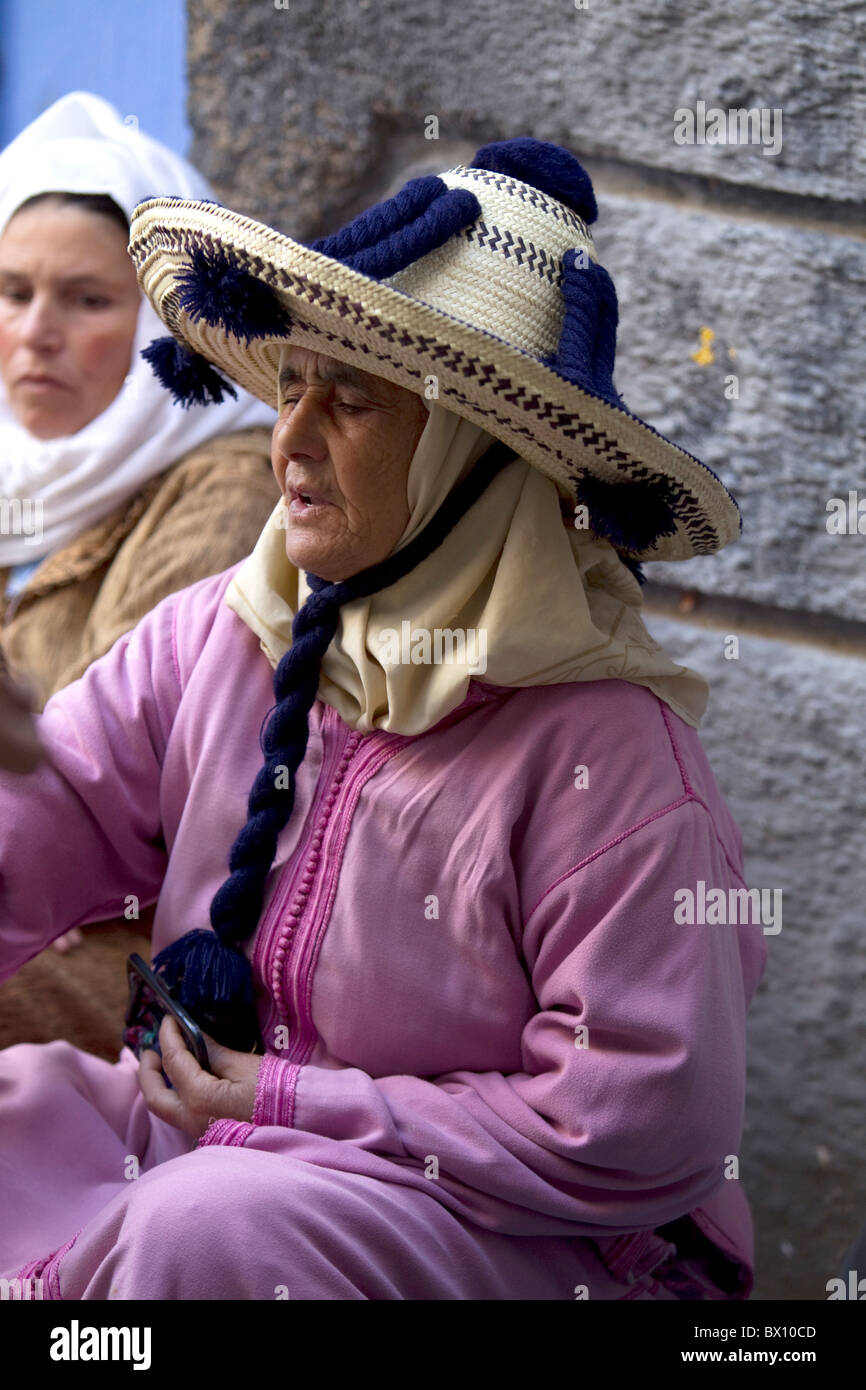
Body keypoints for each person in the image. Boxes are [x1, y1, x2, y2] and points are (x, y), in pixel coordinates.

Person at [0, 137, 767, 1300]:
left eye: (350, 399)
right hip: (205, 1147)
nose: (290, 440)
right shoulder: (223, 635)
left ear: (477, 458)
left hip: (514, 1231)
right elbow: (36, 818)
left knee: (206, 1232)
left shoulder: (609, 757)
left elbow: (636, 1124)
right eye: (292, 384)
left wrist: (283, 1100)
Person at [0, 93, 279, 1047]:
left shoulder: (226, 486)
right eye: (12, 292)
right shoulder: (15, 470)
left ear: (166, 323)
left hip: (109, 948)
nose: (35, 333)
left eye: (86, 300)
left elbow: (102, 772)